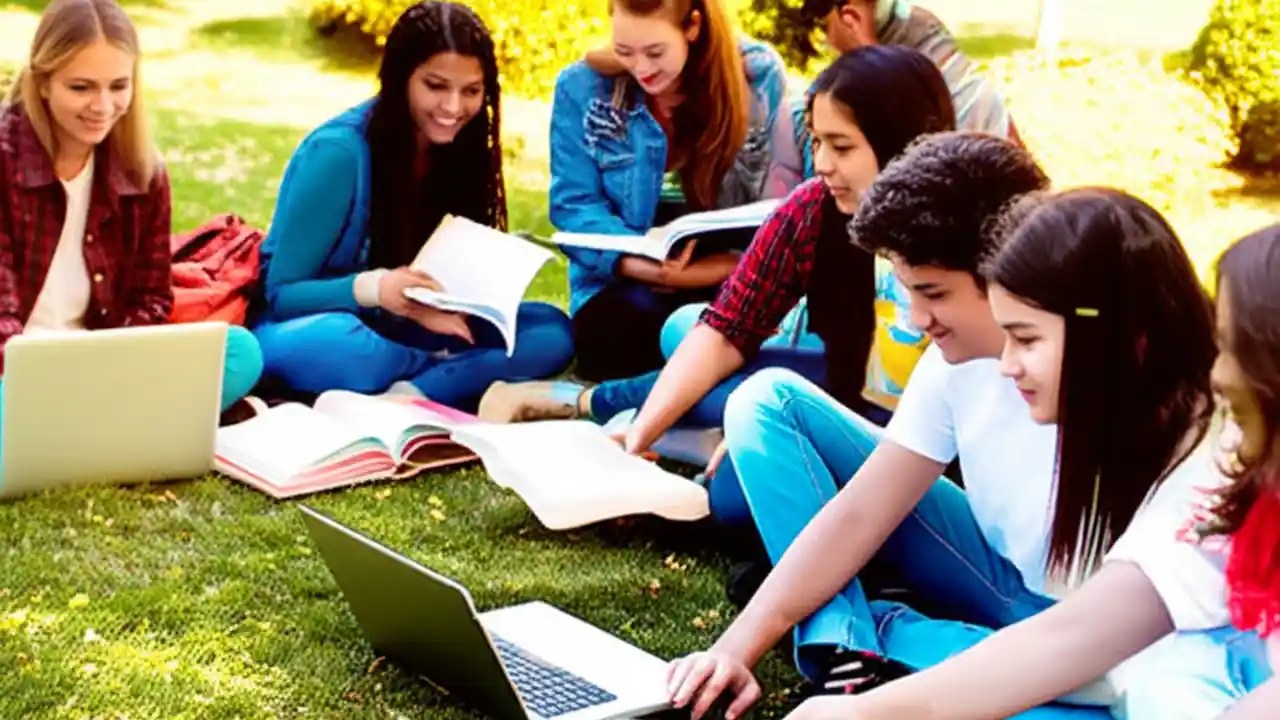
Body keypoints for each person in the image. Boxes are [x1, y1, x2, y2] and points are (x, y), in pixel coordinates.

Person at [664, 135, 1206, 720]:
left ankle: (892, 633)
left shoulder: (1191, 448)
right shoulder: (967, 366)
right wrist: (735, 648)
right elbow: (862, 511)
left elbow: (1093, 647)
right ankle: (859, 639)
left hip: (1096, 644)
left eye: (933, 293)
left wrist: (872, 712)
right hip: (1024, 594)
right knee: (764, 402)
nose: (917, 320)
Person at [793, 222, 1280, 720]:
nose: (1219, 369)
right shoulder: (1235, 475)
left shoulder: (1209, 450)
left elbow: (1077, 637)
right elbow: (1076, 633)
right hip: (1076, 640)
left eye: (1231, 344)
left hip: (1108, 657)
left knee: (1166, 677)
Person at [480, 45, 952, 522]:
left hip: (918, 446)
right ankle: (640, 424)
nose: (823, 163)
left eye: (842, 146)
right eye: (817, 142)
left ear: (902, 141)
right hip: (841, 399)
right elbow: (725, 331)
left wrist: (779, 435)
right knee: (727, 460)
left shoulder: (964, 224)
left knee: (744, 484)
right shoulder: (813, 208)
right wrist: (639, 438)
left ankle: (683, 432)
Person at [251, 1, 573, 411]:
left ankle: (416, 390)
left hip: (411, 322)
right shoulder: (337, 154)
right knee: (349, 347)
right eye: (436, 86)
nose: (454, 108)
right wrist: (378, 289)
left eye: (471, 91)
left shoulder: (462, 149)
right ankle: (442, 374)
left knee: (552, 330)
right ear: (401, 78)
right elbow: (282, 294)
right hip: (321, 323)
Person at [0, 0, 262, 419]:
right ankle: (124, 424)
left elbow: (151, 298)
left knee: (240, 353)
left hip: (96, 361)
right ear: (43, 82)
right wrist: (38, 376)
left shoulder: (143, 173)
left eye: (118, 86)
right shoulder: (5, 160)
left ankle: (85, 426)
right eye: (81, 87)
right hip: (14, 367)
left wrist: (117, 363)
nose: (102, 107)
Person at [549, 0, 792, 381]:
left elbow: (782, 210)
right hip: (624, 277)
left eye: (655, 52)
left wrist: (700, 274)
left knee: (747, 343)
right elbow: (575, 207)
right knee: (623, 339)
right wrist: (644, 268)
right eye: (624, 50)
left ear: (692, 27)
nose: (640, 68)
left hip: (730, 273)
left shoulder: (757, 76)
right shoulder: (581, 87)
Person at [786, 0, 1020, 179]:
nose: (828, 43)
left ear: (851, 19)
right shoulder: (922, 31)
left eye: (824, 27)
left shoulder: (961, 97)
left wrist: (867, 60)